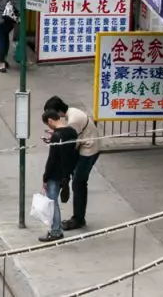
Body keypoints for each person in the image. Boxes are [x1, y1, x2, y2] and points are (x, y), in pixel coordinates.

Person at [45, 95, 101, 227]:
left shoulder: (73, 121)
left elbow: (69, 143)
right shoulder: (72, 113)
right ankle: (79, 217)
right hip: (85, 146)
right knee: (78, 182)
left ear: (58, 112)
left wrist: (56, 139)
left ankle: (78, 219)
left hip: (89, 150)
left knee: (78, 183)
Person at [40, 109, 80, 242]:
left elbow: (52, 159)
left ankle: (56, 231)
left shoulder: (57, 137)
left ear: (50, 121)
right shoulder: (72, 132)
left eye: (48, 124)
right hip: (66, 172)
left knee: (52, 202)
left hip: (55, 173)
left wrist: (45, 177)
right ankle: (56, 229)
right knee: (54, 201)